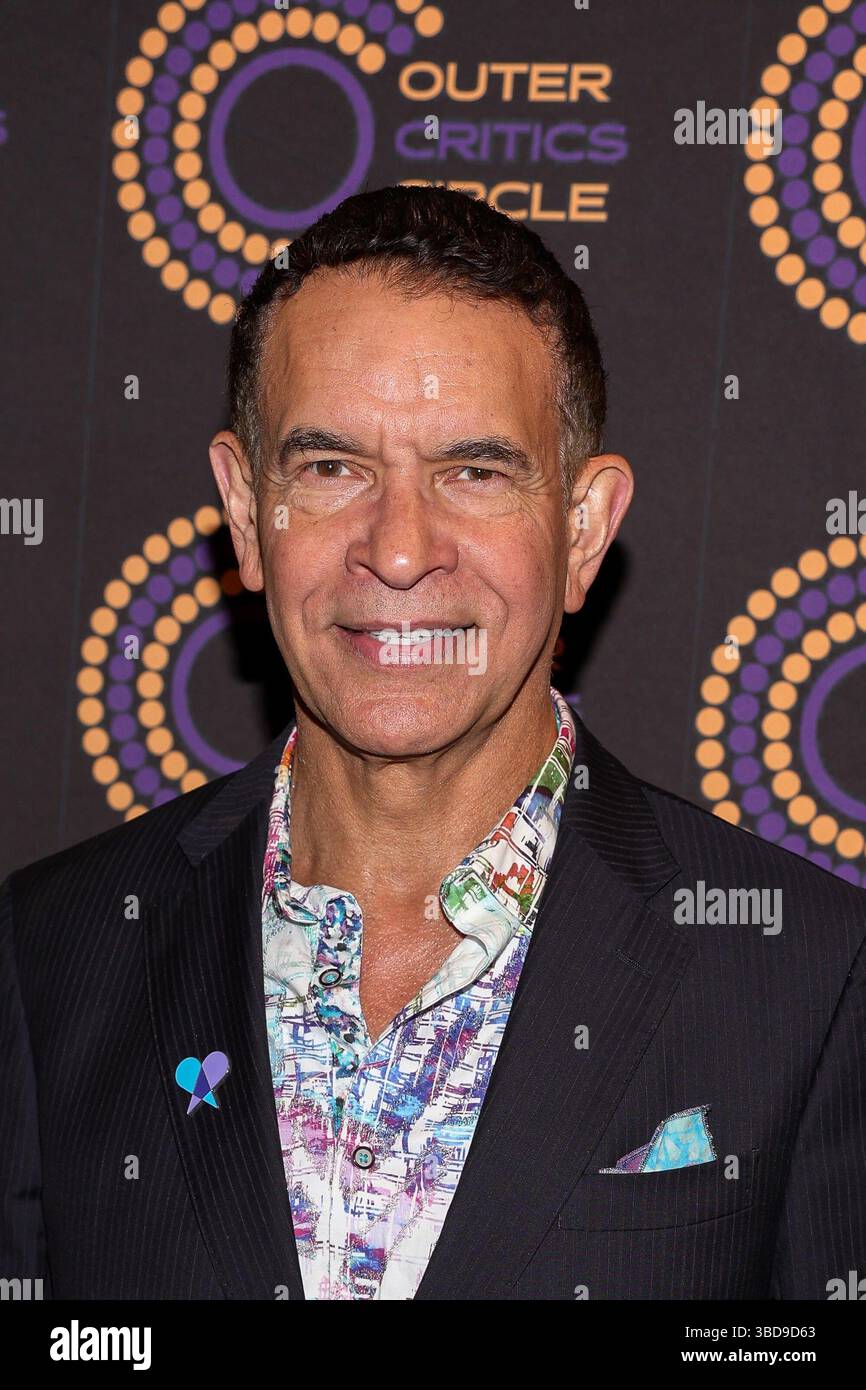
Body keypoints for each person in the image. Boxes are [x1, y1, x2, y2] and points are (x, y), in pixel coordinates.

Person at [2, 185, 864, 1301]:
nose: (399, 552)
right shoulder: (50, 956)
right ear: (245, 509)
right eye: (328, 468)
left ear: (582, 529)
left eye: (473, 471)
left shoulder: (807, 977)